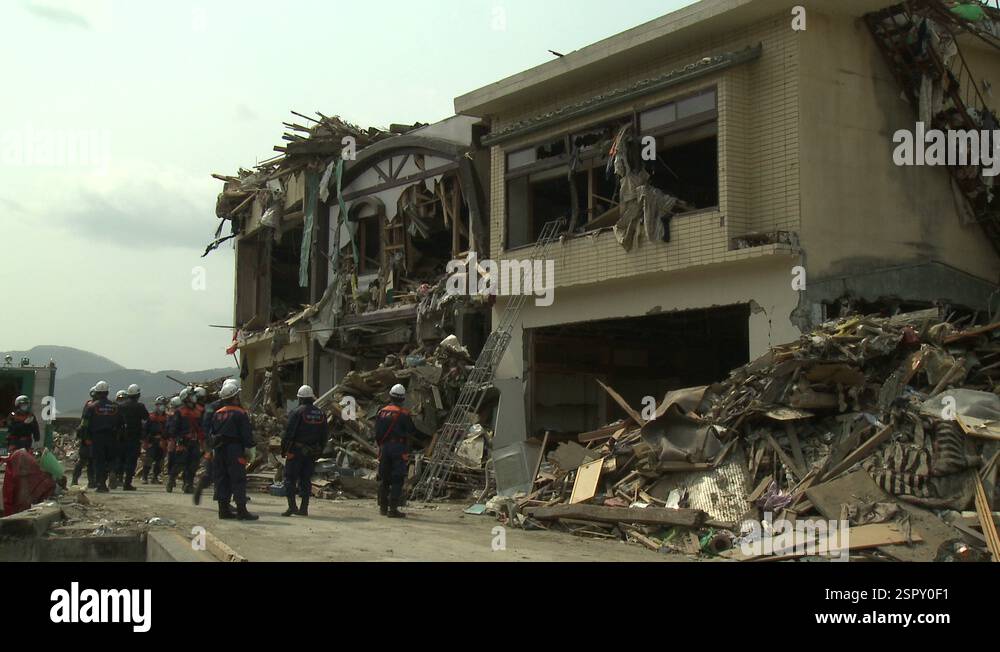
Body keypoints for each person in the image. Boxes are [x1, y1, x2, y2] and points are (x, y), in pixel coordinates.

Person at [209, 379, 257, 521]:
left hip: (219, 450)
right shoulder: (240, 413)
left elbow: (212, 433)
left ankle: (223, 511)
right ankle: (242, 511)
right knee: (238, 479)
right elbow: (246, 434)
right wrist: (250, 449)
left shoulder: (217, 413)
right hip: (234, 450)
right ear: (235, 397)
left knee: (221, 479)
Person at [281, 385, 329, 517]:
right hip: (312, 453)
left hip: (296, 451)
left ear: (300, 399)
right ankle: (304, 508)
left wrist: (284, 450)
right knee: (306, 479)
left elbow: (288, 433)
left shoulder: (297, 412)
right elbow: (325, 435)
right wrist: (319, 451)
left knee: (290, 478)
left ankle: (292, 507)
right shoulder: (321, 414)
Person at [374, 384, 415, 519]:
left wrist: (381, 447)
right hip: (398, 448)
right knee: (397, 479)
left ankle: (383, 508)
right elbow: (411, 432)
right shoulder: (404, 414)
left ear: (390, 396)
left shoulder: (381, 412)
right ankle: (393, 509)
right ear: (402, 399)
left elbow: (377, 433)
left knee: (384, 478)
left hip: (384, 448)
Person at [82, 381, 124, 493]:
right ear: (108, 392)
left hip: (97, 438)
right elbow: (121, 424)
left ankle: (102, 485)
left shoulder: (91, 407)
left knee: (99, 461)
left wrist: (86, 438)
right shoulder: (116, 407)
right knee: (111, 459)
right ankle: (112, 471)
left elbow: (84, 425)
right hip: (112, 437)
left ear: (96, 392)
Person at [165, 390, 201, 493]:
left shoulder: (197, 411)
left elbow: (200, 427)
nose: (194, 397)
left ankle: (188, 484)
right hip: (183, 441)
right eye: (191, 396)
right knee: (180, 463)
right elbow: (173, 428)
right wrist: (178, 439)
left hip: (194, 441)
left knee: (193, 464)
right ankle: (171, 480)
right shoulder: (180, 412)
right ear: (186, 398)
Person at [118, 384, 148, 491]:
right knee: (131, 461)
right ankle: (127, 483)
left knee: (120, 459)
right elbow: (146, 418)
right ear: (138, 395)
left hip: (121, 438)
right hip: (134, 438)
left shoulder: (120, 406)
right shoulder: (140, 406)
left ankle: (118, 478)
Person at [72, 387, 98, 487]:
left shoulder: (92, 405)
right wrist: (86, 437)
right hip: (87, 436)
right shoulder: (90, 406)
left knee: (91, 461)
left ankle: (91, 482)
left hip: (92, 436)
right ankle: (75, 480)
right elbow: (84, 423)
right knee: (83, 460)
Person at [142, 396, 168, 484]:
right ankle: (144, 477)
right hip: (152, 441)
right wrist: (146, 441)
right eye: (160, 404)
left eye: (163, 404)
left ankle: (155, 477)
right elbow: (145, 430)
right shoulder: (151, 417)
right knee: (149, 459)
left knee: (160, 461)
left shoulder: (167, 418)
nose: (162, 406)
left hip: (162, 441)